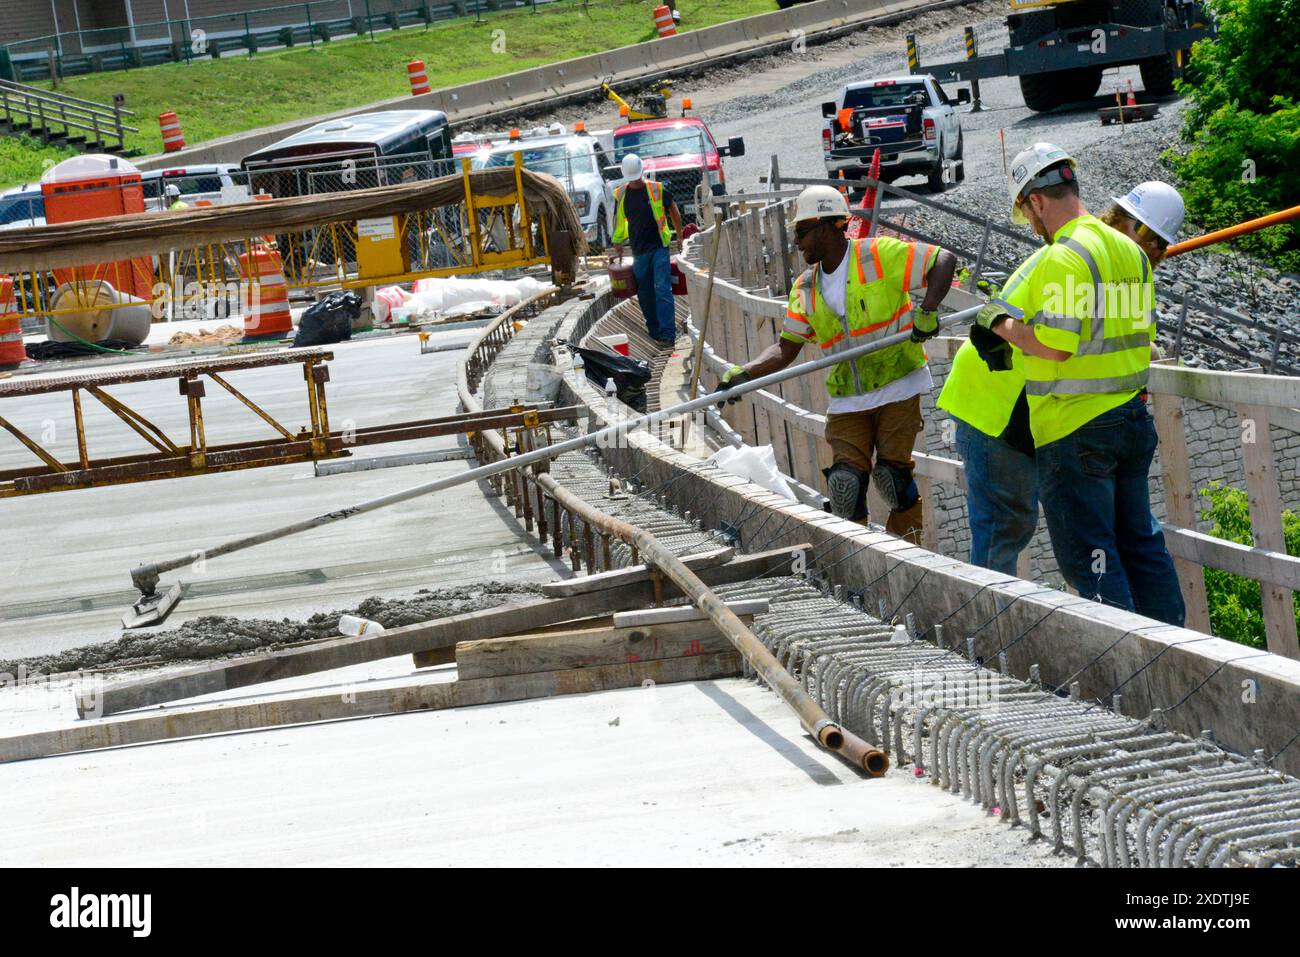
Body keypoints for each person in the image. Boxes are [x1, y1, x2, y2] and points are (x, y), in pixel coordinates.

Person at [970, 142, 1184, 625]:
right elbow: (1138, 338)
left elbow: (1054, 344)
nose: (1032, 225)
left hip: (1075, 430)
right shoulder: (1131, 253)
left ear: (1036, 201)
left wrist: (999, 323)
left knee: (1091, 561)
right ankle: (1176, 652)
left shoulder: (1064, 256)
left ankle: (1126, 673)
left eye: (1028, 213)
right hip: (1130, 421)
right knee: (1142, 546)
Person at [719, 185, 956, 543]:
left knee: (893, 479)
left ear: (827, 226)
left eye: (801, 232)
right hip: (849, 396)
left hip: (898, 383)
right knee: (845, 486)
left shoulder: (878, 256)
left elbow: (943, 261)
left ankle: (908, 552)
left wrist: (928, 310)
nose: (796, 242)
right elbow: (786, 349)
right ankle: (857, 556)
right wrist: (744, 374)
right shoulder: (806, 288)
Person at [611, 153, 684, 349]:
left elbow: (673, 210)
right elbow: (619, 221)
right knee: (644, 293)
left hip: (659, 246)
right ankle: (655, 331)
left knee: (662, 289)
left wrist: (679, 235)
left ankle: (668, 334)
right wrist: (617, 242)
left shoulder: (656, 189)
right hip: (639, 250)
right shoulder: (621, 194)